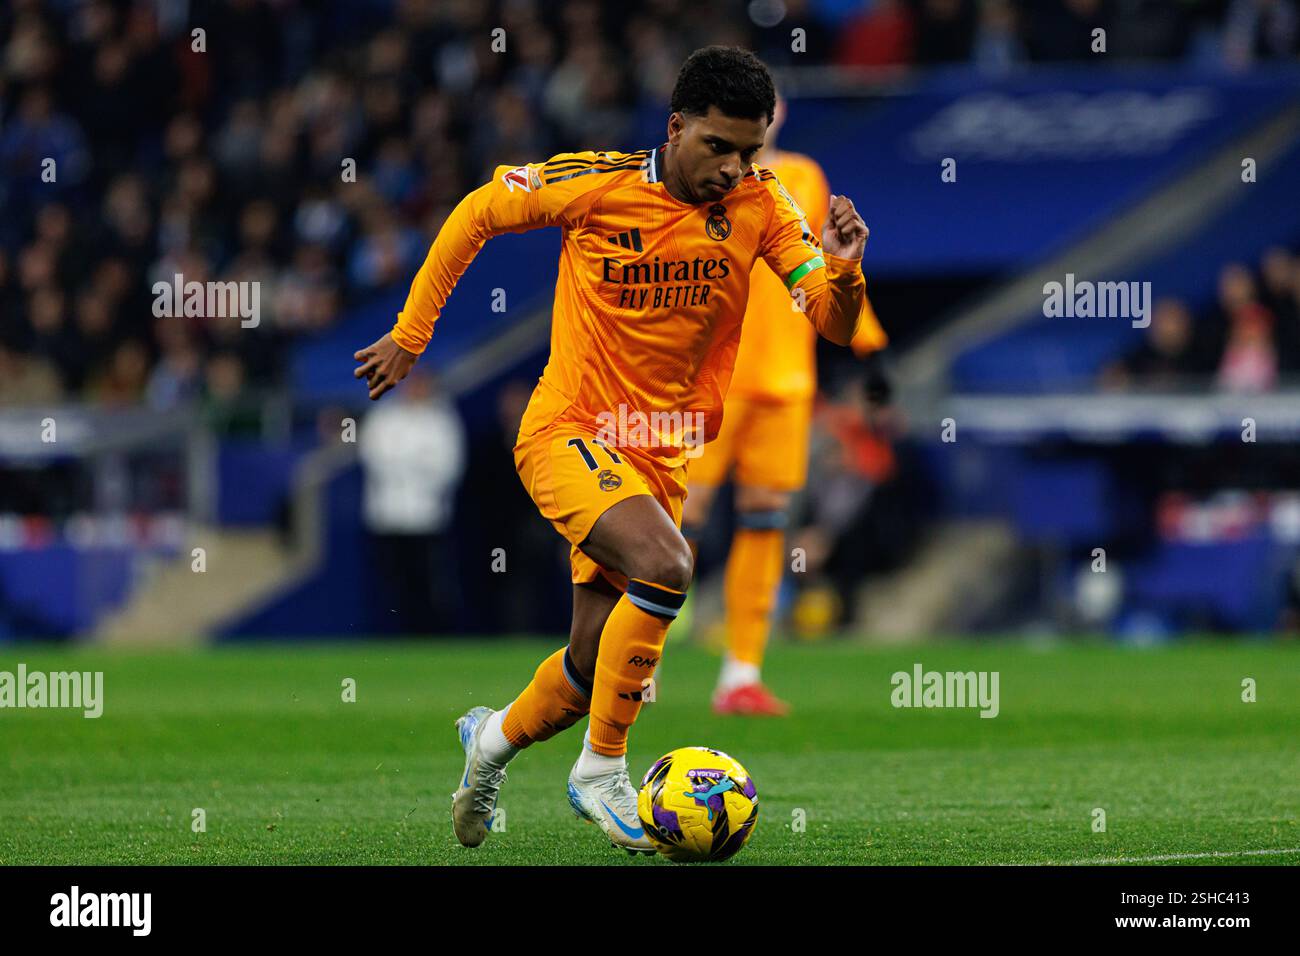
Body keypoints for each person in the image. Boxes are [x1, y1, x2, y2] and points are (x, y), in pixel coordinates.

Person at [353, 46, 873, 855]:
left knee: (592, 667)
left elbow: (829, 319)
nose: (735, 167)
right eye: (719, 147)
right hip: (570, 431)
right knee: (668, 565)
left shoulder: (765, 205)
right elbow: (478, 212)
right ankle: (602, 771)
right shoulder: (596, 182)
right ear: (676, 127)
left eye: (750, 149)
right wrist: (412, 334)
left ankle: (487, 744)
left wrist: (845, 273)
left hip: (663, 456)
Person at [681, 93, 886, 716]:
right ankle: (641, 659)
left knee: (766, 523)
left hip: (787, 385)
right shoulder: (705, 180)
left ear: (780, 113)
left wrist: (870, 348)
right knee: (677, 522)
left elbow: (827, 266)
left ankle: (740, 672)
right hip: (712, 379)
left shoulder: (804, 176)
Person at [357, 368, 466, 633]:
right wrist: (415, 465)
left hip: (427, 518)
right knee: (392, 583)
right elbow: (374, 458)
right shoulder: (383, 417)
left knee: (428, 583)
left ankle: (430, 636)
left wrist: (407, 468)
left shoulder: (441, 420)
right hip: (387, 517)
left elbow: (447, 467)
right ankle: (393, 636)